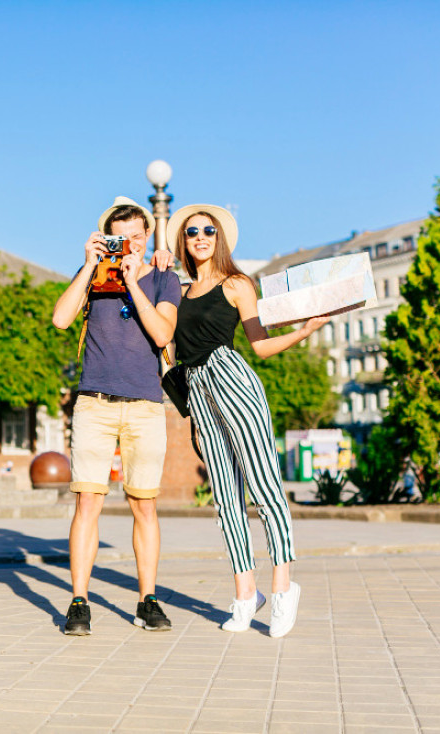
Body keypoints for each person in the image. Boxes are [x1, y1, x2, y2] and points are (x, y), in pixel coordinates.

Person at [158, 204, 327, 638]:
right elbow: (167, 342)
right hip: (198, 392)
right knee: (225, 498)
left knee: (264, 485)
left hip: (233, 380)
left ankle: (284, 588)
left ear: (220, 239)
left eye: (208, 231)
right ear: (184, 241)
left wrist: (306, 330)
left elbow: (261, 346)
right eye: (192, 231)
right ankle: (245, 594)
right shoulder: (178, 290)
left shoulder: (237, 284)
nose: (200, 237)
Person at [52, 196, 182, 636]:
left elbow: (164, 332)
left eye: (134, 237)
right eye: (117, 238)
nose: (127, 245)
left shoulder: (164, 278)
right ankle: (79, 601)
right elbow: (60, 319)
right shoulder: (93, 275)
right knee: (88, 500)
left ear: (146, 239)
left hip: (145, 405)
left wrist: (134, 284)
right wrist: (89, 265)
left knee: (144, 504)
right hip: (94, 402)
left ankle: (147, 598)